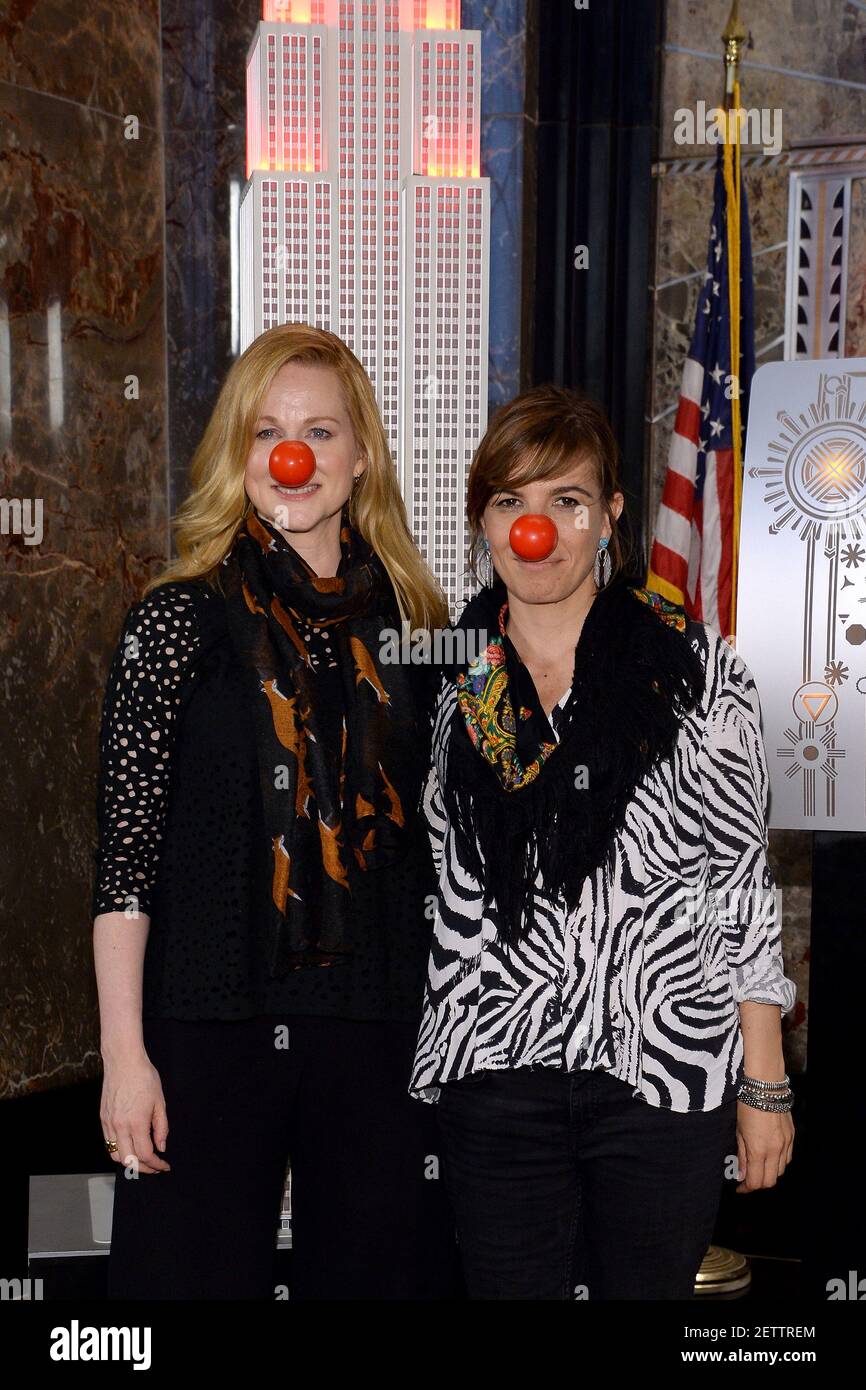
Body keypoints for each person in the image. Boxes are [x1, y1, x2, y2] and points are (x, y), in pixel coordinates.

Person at [93, 322, 458, 1300]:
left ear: (360, 458)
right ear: (238, 455)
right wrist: (124, 1056)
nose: (291, 455)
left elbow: (462, 850)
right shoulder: (174, 621)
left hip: (376, 1029)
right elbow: (123, 860)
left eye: (319, 431)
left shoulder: (420, 636)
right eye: (265, 432)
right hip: (207, 1023)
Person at [409, 384, 797, 1300]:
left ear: (611, 516)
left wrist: (766, 1083)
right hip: (495, 1079)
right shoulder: (442, 679)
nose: (535, 528)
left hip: (660, 1079)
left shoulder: (692, 672)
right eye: (510, 501)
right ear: (484, 522)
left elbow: (740, 883)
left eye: (565, 501)